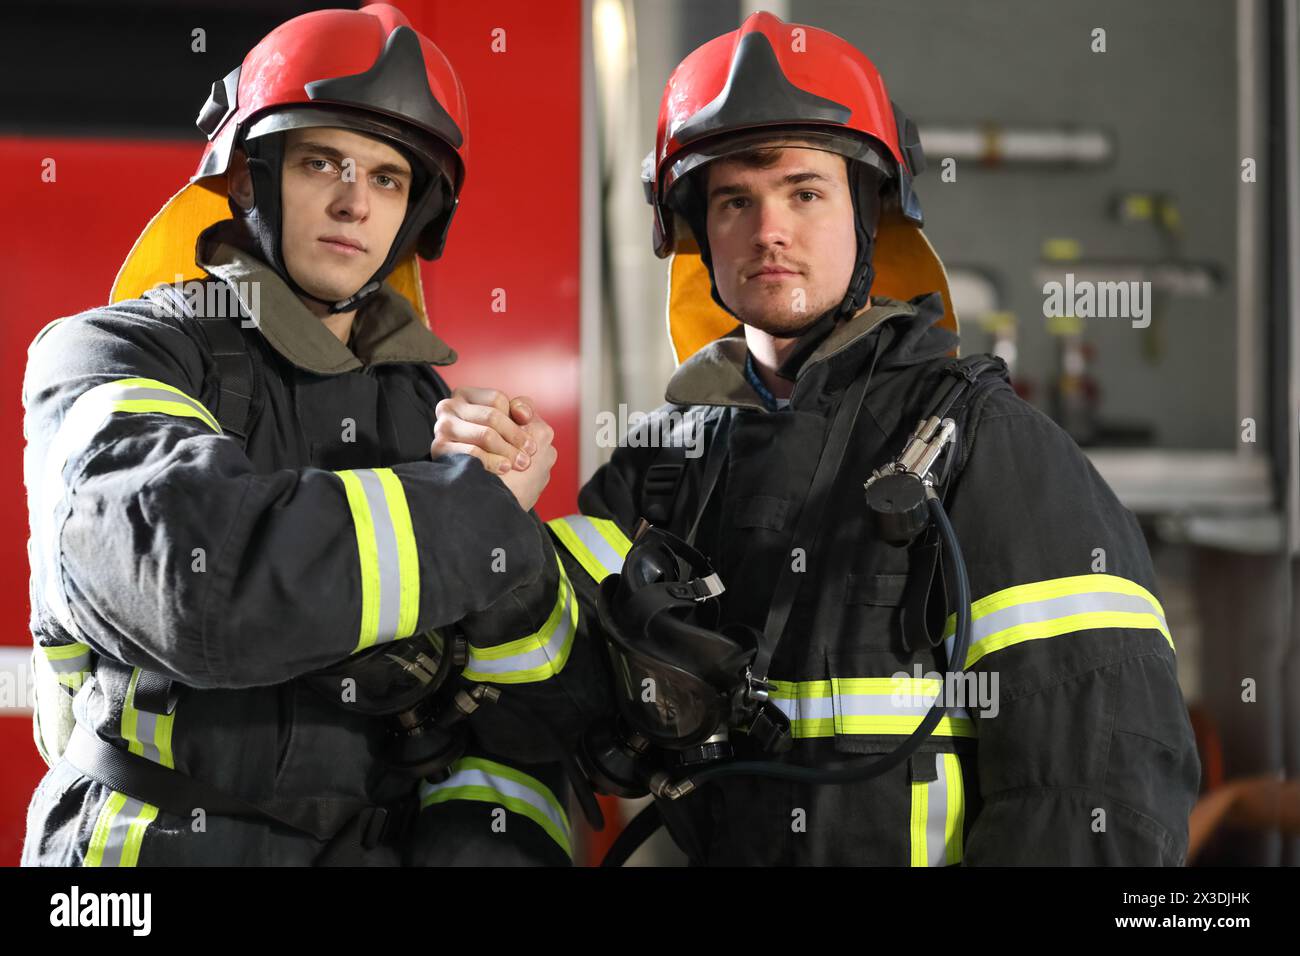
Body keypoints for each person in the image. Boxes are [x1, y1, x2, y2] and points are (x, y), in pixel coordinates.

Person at [437, 12, 1202, 865]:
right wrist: (487, 519)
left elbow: (1096, 791)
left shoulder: (990, 448)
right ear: (695, 232)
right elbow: (560, 705)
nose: (770, 230)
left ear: (872, 213)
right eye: (735, 200)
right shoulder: (660, 469)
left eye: (805, 193)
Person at [21, 4, 576, 867]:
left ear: (417, 212)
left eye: (390, 179)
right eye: (323, 162)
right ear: (247, 177)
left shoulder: (428, 410)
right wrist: (477, 508)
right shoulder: (109, 351)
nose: (355, 202)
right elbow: (195, 588)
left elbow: (527, 691)